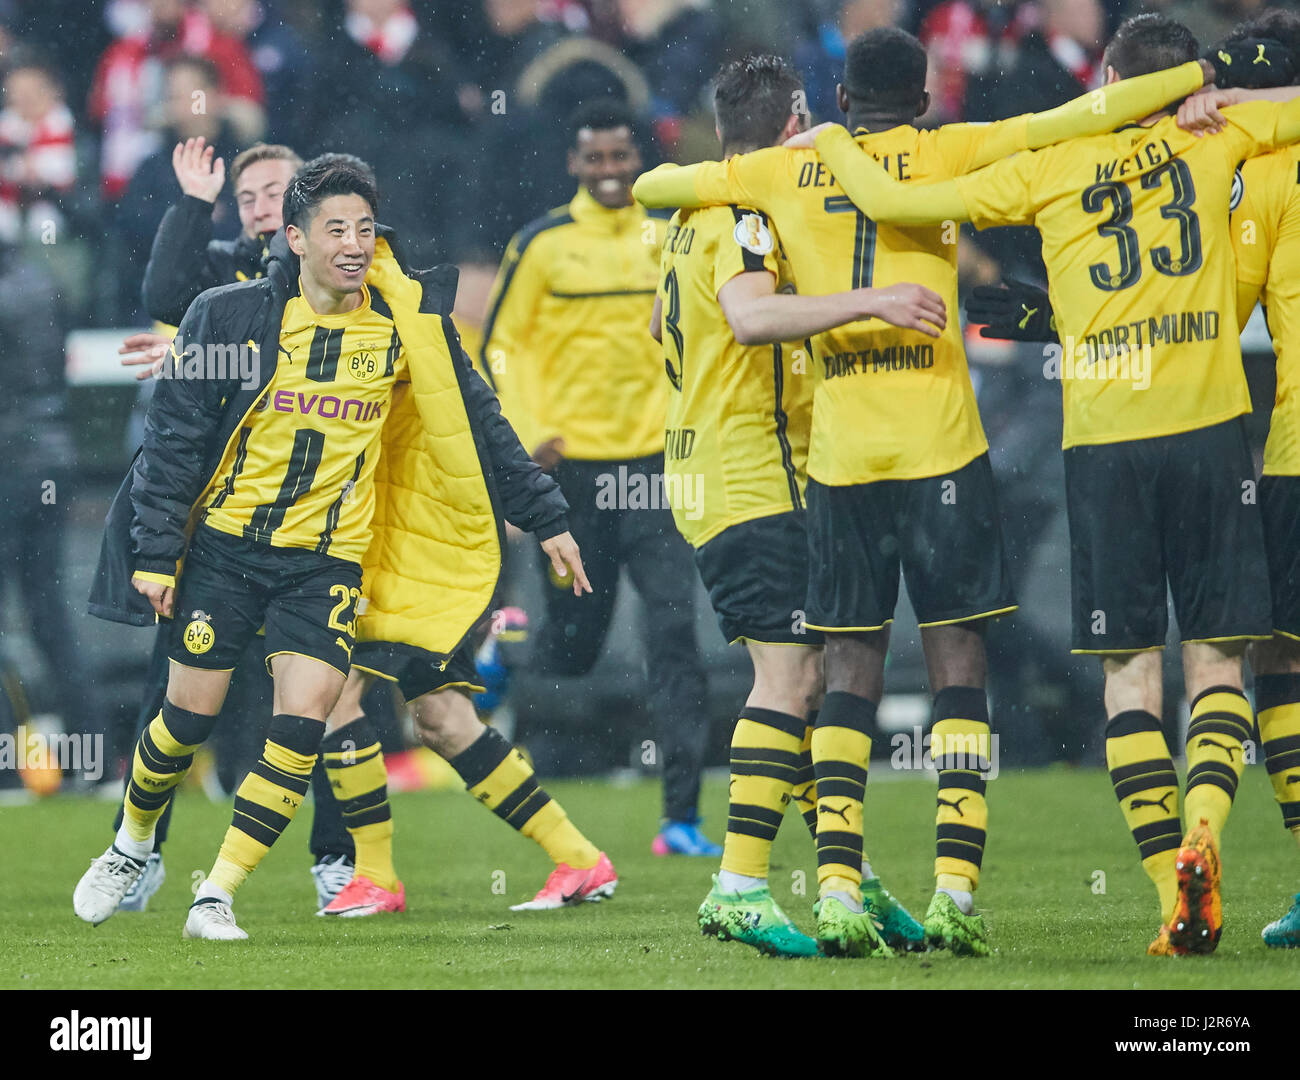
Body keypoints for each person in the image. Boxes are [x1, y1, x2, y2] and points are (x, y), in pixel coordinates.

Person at [633, 26, 1221, 956]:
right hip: (937, 452)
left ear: (834, 101)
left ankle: (836, 886)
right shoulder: (951, 147)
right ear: (926, 97)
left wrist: (798, 157)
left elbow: (650, 185)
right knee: (952, 673)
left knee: (841, 677)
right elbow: (1079, 114)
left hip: (833, 461)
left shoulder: (766, 183)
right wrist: (1206, 78)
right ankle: (950, 891)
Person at [807, 14, 1300, 955]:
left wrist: (836, 142)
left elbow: (905, 205)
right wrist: (1231, 94)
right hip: (1208, 432)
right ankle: (1206, 829)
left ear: (1110, 80)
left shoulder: (1054, 163)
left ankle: (1169, 889)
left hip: (1105, 442)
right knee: (1218, 663)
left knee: (1129, 672)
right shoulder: (1220, 138)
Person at [74, 153, 591, 940]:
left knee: (305, 719)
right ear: (296, 239)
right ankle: (131, 842)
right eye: (335, 228)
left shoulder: (405, 326)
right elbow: (173, 443)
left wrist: (546, 515)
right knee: (186, 720)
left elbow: (478, 420)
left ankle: (216, 892)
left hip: (326, 564)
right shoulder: (228, 314)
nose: (353, 243)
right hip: (226, 552)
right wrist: (153, 553)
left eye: (363, 227)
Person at [965, 8, 1300, 949]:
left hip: (1148, 440)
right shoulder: (1235, 145)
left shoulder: (1106, 163)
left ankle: (1176, 873)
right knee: (1241, 658)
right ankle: (1225, 841)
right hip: (1222, 446)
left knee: (1159, 668)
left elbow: (1201, 304)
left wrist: (1048, 318)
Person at [651, 54, 946, 957]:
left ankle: (847, 879)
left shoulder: (687, 218)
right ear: (794, 124)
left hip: (709, 472)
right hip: (751, 476)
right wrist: (878, 299)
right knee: (791, 681)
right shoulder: (743, 216)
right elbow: (749, 318)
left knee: (809, 690)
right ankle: (738, 886)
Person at [483, 98, 718, 857]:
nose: (611, 172)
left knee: (675, 631)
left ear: (639, 159)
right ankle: (536, 800)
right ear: (574, 164)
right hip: (572, 478)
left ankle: (680, 819)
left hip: (657, 470)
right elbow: (501, 349)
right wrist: (527, 434)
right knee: (572, 646)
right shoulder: (543, 244)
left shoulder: (672, 231)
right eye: (597, 159)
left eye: (622, 157)